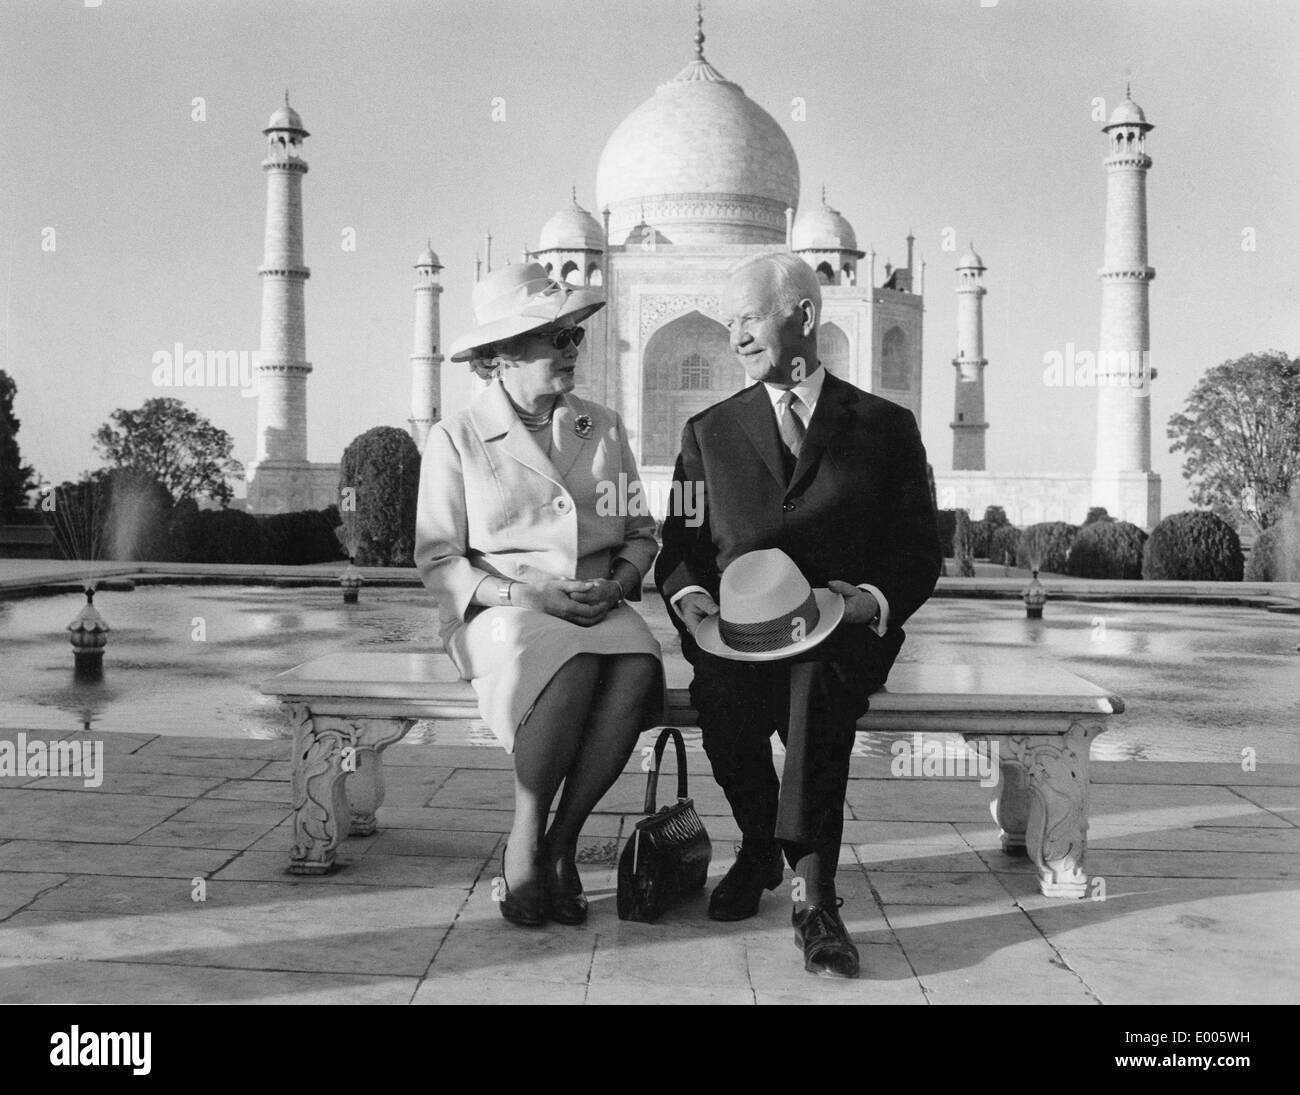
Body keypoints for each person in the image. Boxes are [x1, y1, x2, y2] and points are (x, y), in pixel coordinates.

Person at [655, 251, 941, 978]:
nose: (735, 338)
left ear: (805, 316)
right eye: (727, 324)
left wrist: (864, 601)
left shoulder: (883, 426)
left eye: (749, 318)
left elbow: (917, 552)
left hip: (837, 635)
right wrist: (694, 609)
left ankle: (814, 896)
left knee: (815, 686)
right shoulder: (709, 433)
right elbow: (679, 549)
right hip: (740, 633)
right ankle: (759, 842)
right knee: (719, 697)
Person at [416, 263, 662, 928]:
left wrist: (619, 581)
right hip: (499, 611)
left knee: (639, 666)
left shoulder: (602, 427)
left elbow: (642, 533)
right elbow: (438, 560)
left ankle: (562, 842)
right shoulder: (457, 438)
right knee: (570, 659)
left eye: (574, 336)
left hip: (597, 602)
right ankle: (527, 834)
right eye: (553, 337)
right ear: (499, 357)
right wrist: (524, 592)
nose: (571, 349)